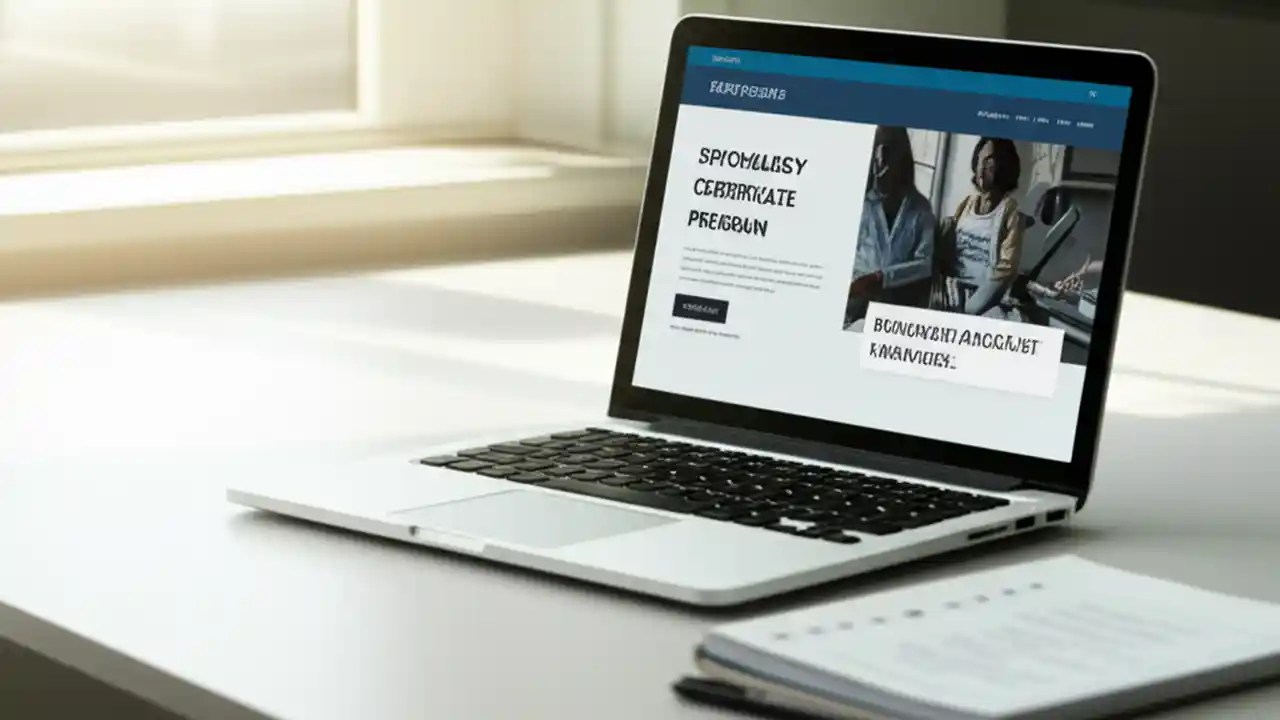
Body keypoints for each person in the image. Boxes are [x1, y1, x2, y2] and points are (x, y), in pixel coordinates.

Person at [845, 126, 936, 327]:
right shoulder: (862, 203)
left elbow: (924, 264)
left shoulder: (920, 208)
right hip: (856, 298)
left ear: (901, 159)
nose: (880, 166)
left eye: (887, 156)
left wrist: (882, 278)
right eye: (876, 157)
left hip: (897, 301)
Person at [934, 137, 1025, 317]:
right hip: (951, 290)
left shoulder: (1010, 212)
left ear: (1004, 166)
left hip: (980, 300)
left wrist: (970, 308)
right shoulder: (967, 203)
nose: (981, 169)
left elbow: (1006, 270)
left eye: (989, 162)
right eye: (978, 161)